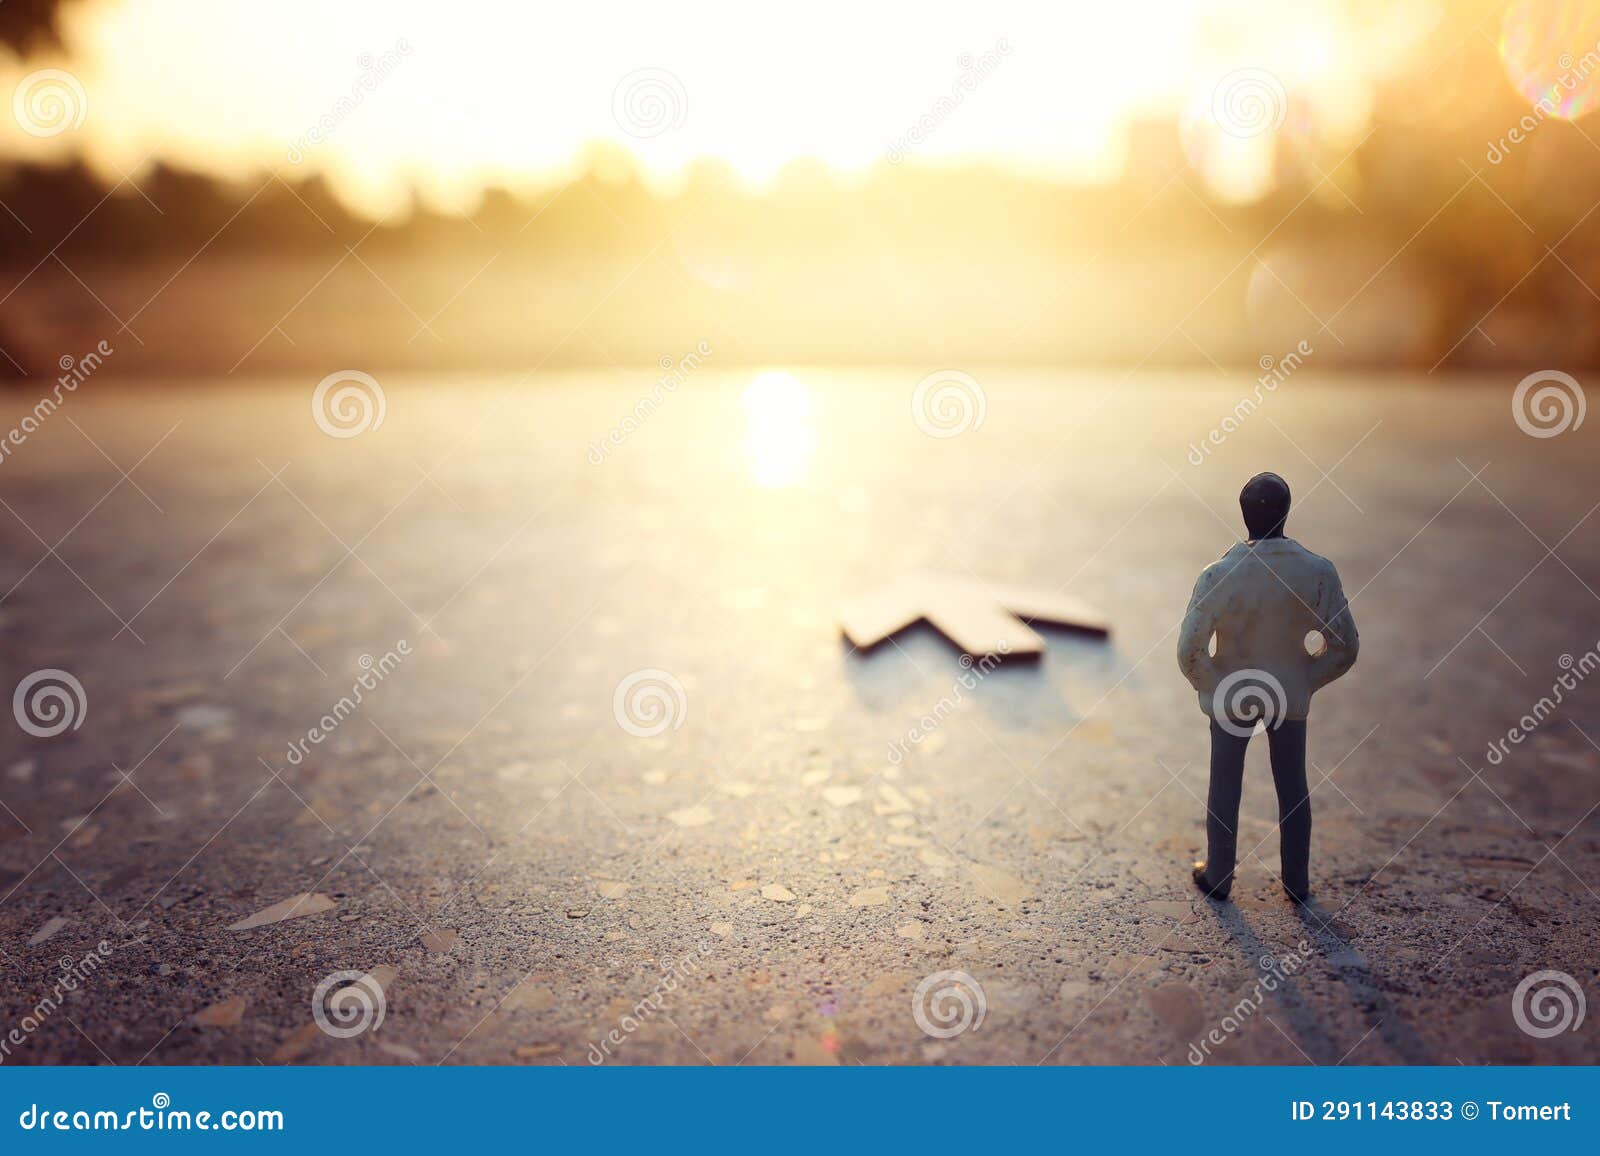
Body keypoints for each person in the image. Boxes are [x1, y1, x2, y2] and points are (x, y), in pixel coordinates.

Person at [1176, 472, 1358, 903]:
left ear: (1243, 515)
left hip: (1232, 690)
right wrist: (1305, 679)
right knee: (1293, 784)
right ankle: (1296, 881)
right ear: (1286, 511)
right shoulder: (1317, 571)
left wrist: (1215, 688)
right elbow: (1345, 647)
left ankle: (1219, 874)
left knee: (1224, 785)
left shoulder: (1219, 574)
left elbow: (1190, 650)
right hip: (1288, 690)